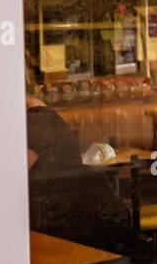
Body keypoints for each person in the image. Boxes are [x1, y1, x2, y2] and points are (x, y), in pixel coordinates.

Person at [25, 95, 132, 253]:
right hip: (95, 214)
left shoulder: (34, 124)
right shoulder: (48, 119)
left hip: (74, 222)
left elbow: (13, 176)